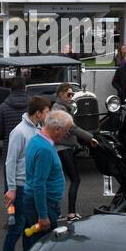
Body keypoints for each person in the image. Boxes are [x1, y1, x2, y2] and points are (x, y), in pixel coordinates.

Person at [0, 95, 51, 251]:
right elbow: (10, 162)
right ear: (38, 113)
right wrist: (11, 189)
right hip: (19, 189)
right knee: (15, 229)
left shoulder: (38, 130)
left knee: (31, 228)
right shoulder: (19, 132)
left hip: (29, 188)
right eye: (47, 111)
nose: (49, 114)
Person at [21, 108, 70, 247]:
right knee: (43, 247)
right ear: (57, 129)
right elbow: (39, 184)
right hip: (44, 204)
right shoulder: (45, 149)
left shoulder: (36, 140)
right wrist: (43, 216)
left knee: (32, 244)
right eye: (65, 130)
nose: (66, 134)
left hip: (34, 201)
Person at [52, 82, 97, 218]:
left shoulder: (62, 107)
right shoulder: (60, 110)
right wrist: (91, 138)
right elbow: (72, 128)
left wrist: (76, 144)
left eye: (72, 94)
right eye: (69, 94)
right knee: (74, 179)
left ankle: (56, 212)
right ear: (60, 94)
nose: (71, 97)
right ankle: (71, 212)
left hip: (64, 146)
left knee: (59, 181)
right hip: (62, 148)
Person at [0, 76, 31, 144]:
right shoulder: (33, 106)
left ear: (10, 89)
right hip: (29, 149)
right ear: (25, 88)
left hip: (9, 147)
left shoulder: (2, 108)